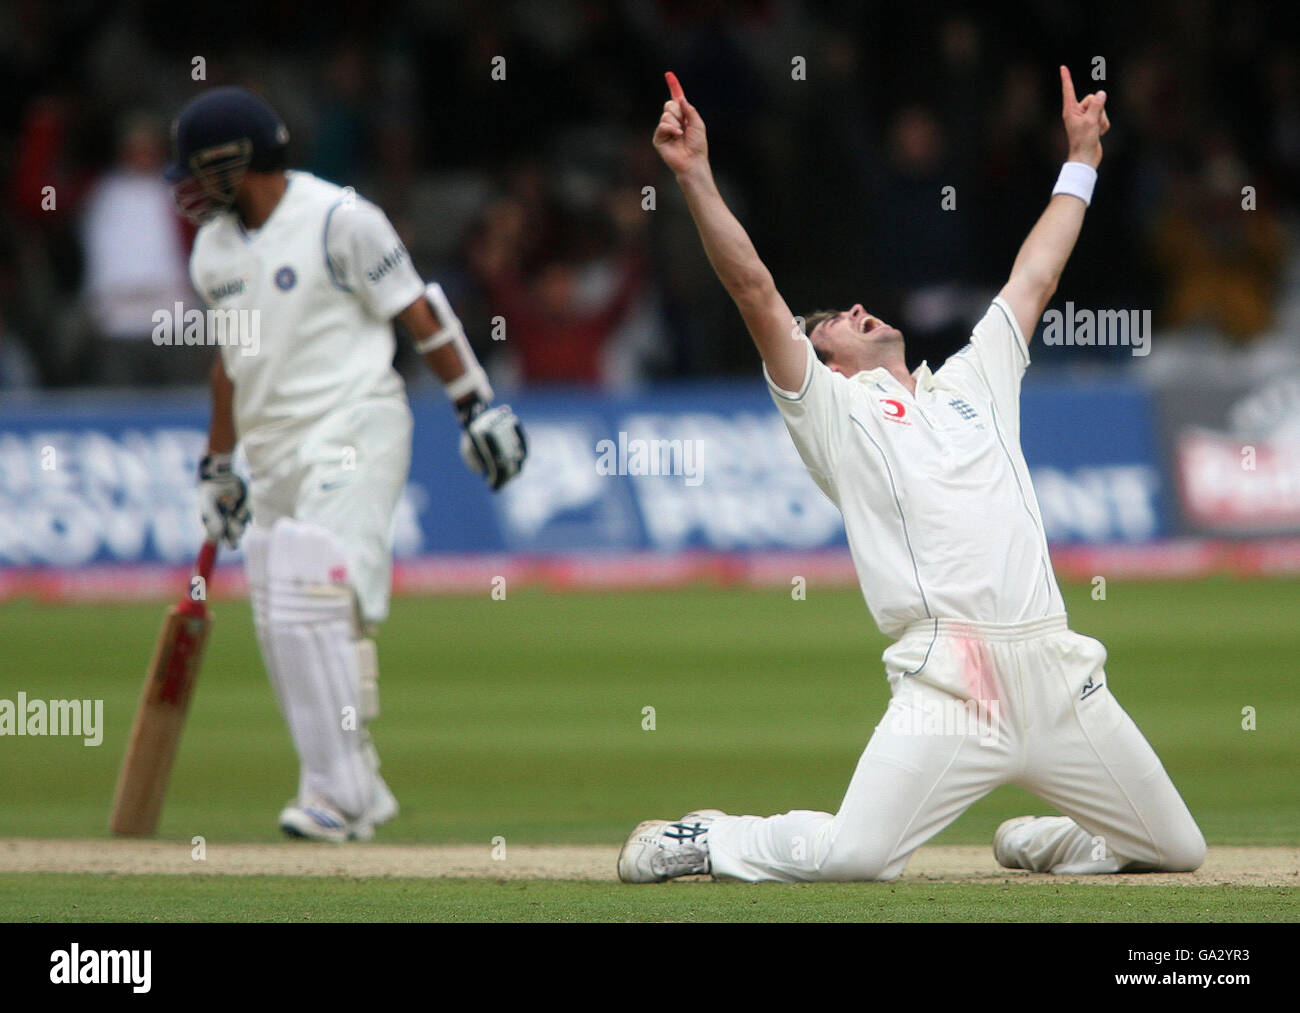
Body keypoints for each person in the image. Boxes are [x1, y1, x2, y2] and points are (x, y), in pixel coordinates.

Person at [618, 69, 1205, 883]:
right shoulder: (833, 412)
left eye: (854, 310)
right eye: (837, 326)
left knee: (1178, 851)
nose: (858, 313)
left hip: (1057, 669)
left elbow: (1034, 279)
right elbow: (754, 288)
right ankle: (711, 838)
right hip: (950, 684)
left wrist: (1081, 160)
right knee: (858, 857)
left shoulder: (973, 381)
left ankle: (1045, 837)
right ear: (826, 364)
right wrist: (694, 176)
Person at [170, 86, 527, 842]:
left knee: (316, 589)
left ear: (234, 161)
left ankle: (338, 794)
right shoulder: (213, 251)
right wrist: (218, 466)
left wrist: (476, 403)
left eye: (198, 172)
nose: (190, 191)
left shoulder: (341, 219)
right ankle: (351, 785)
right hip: (271, 449)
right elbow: (228, 366)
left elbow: (419, 310)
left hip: (354, 422)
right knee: (280, 610)